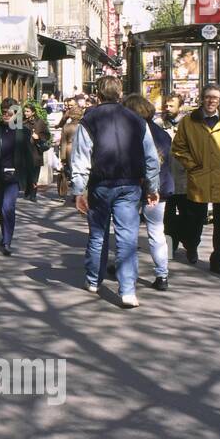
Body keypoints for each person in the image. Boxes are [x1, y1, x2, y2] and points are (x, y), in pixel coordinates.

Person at [70, 76, 161, 307]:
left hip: (101, 183)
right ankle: (128, 290)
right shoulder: (137, 120)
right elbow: (151, 157)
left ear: (98, 95)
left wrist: (79, 190)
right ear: (120, 94)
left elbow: (80, 158)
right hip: (130, 184)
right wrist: (152, 186)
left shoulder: (89, 119)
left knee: (98, 234)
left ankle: (93, 279)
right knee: (127, 237)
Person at [171, 83, 220, 275]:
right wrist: (191, 166)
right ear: (202, 99)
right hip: (200, 176)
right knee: (195, 219)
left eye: (215, 98)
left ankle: (217, 258)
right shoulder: (189, 121)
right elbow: (179, 147)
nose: (211, 101)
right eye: (208, 97)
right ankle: (192, 245)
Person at [124, 94, 173, 291]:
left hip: (135, 187)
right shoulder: (162, 134)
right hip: (161, 187)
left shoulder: (133, 134)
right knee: (156, 232)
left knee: (128, 230)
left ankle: (127, 269)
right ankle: (162, 275)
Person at [0, 98, 33, 256]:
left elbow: (28, 157)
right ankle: (5, 234)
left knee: (7, 207)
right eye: (3, 112)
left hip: (14, 176)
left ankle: (7, 241)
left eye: (9, 113)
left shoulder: (23, 132)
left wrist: (31, 180)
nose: (6, 115)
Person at [159, 94, 189, 257]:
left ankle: (190, 245)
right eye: (166, 105)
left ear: (180, 107)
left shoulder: (189, 125)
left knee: (187, 215)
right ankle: (170, 248)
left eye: (171, 106)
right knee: (167, 217)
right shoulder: (159, 124)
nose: (167, 108)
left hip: (184, 177)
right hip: (166, 178)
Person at [21, 104, 51, 201]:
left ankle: (33, 193)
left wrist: (39, 137)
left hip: (35, 151)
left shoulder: (40, 122)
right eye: (24, 111)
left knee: (34, 174)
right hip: (24, 151)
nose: (25, 113)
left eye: (28, 111)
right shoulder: (22, 122)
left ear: (33, 112)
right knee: (26, 173)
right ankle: (28, 190)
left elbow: (47, 135)